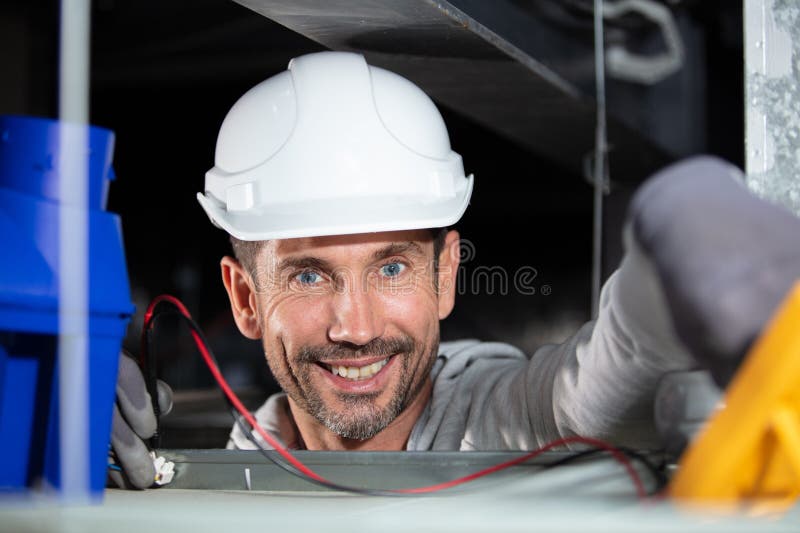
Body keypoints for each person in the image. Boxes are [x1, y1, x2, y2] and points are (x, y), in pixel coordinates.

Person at [109, 51, 800, 488]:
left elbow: (601, 375)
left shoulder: (503, 421)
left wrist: (685, 218)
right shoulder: (232, 467)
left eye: (391, 269)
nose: (356, 328)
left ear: (445, 274)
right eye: (310, 276)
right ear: (244, 296)